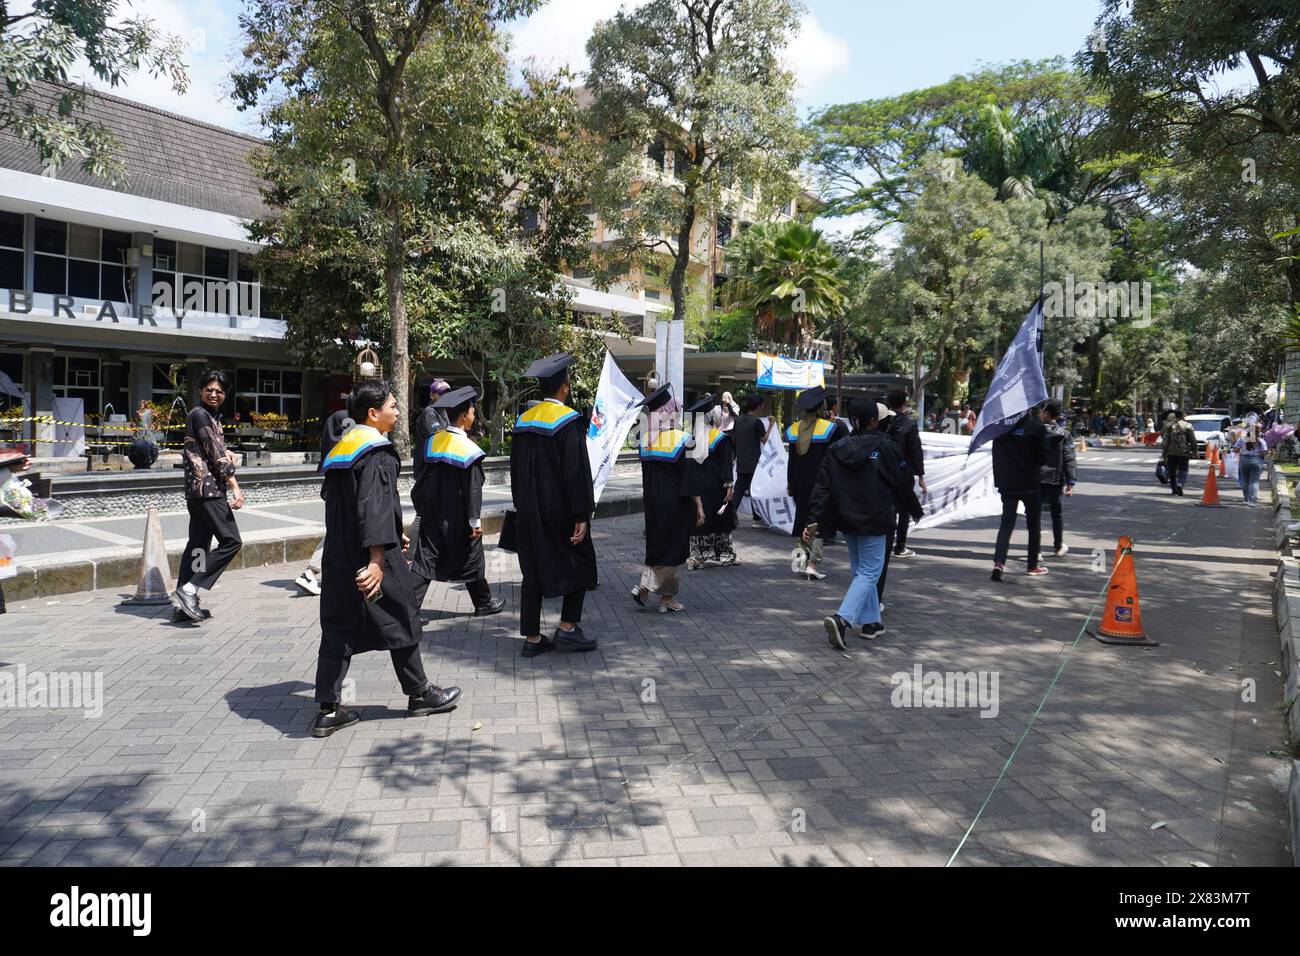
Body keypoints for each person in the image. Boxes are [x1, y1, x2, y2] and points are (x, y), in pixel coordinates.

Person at [311, 379, 462, 738]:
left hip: (339, 552)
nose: (397, 411)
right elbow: (373, 504)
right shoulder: (376, 451)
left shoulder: (341, 448)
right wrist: (378, 559)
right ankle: (420, 694)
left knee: (338, 626)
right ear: (373, 413)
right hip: (371, 554)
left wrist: (395, 529)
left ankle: (328, 710)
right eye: (393, 406)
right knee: (402, 615)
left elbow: (341, 501)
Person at [808, 398, 921, 649]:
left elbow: (822, 486)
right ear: (874, 420)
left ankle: (871, 622)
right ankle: (842, 618)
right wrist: (915, 509)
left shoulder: (836, 448)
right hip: (876, 518)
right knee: (870, 571)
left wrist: (813, 519)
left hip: (847, 518)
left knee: (862, 571)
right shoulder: (886, 446)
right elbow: (902, 482)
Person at [510, 353, 599, 657]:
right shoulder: (569, 422)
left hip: (528, 511)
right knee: (581, 562)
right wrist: (581, 513)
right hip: (560, 512)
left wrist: (522, 506)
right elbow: (576, 473)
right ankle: (568, 629)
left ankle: (532, 638)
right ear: (565, 387)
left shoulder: (523, 421)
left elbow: (515, 470)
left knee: (532, 569)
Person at [410, 386, 507, 616]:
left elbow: (423, 477)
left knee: (426, 560)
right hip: (459, 516)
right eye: (472, 411)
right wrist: (474, 520)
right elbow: (473, 488)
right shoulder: (468, 450)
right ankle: (483, 603)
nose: (474, 415)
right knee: (471, 556)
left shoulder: (434, 442)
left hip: (434, 512)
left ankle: (409, 608)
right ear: (464, 416)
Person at [172, 370, 243, 623]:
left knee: (198, 547)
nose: (214, 394)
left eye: (219, 391)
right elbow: (214, 454)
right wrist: (234, 485)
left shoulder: (209, 416)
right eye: (209, 389)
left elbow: (211, 447)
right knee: (231, 541)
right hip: (209, 489)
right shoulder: (200, 414)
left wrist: (227, 450)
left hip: (197, 491)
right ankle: (189, 589)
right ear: (201, 390)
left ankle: (183, 605)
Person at [630, 383, 703, 612]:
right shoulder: (684, 439)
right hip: (675, 504)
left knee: (656, 545)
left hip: (652, 503)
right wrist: (699, 505)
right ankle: (666, 599)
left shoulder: (645, 441)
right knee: (673, 550)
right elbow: (689, 479)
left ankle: (645, 585)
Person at [787, 386, 849, 580]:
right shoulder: (830, 429)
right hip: (821, 484)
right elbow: (839, 457)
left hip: (799, 484)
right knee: (817, 523)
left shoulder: (794, 429)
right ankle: (812, 564)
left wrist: (790, 484)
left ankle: (799, 562)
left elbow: (791, 461)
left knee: (802, 520)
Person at [295, 409, 351, 596]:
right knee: (337, 532)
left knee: (339, 532)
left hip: (335, 488)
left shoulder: (335, 436)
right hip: (342, 490)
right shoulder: (346, 424)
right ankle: (310, 573)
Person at [990, 408, 1050, 581]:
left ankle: (998, 563)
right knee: (1034, 525)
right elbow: (1043, 457)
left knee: (1006, 523)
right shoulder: (1036, 427)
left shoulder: (1001, 427)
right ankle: (1032, 565)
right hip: (1030, 483)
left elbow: (996, 455)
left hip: (1007, 483)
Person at [685, 394, 738, 569]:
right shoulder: (721, 438)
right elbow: (726, 466)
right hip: (716, 487)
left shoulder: (691, 439)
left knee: (699, 519)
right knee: (721, 519)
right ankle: (724, 555)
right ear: (711, 416)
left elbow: (689, 467)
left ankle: (696, 557)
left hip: (697, 488)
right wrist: (729, 486)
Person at [884, 388, 927, 559]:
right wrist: (920, 475)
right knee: (903, 511)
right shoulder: (909, 425)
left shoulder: (883, 422)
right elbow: (916, 451)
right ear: (905, 402)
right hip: (903, 472)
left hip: (883, 470)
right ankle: (900, 546)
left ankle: (885, 544)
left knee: (887, 508)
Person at [728, 393, 777, 526]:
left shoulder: (738, 421)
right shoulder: (757, 422)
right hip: (753, 462)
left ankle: (731, 514)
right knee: (754, 490)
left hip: (741, 460)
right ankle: (757, 518)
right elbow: (764, 439)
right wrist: (771, 424)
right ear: (759, 406)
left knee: (740, 489)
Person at [1039, 400, 1077, 557]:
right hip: (1055, 479)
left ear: (1046, 414)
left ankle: (1036, 550)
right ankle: (1058, 546)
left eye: (1041, 411)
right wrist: (1070, 483)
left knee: (1034, 515)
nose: (1039, 414)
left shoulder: (1034, 432)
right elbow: (1069, 458)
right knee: (1056, 514)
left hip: (1035, 479)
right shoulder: (1064, 434)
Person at [412, 379, 452, 487]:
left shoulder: (443, 411)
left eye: (447, 394)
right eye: (442, 394)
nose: (445, 397)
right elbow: (438, 438)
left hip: (437, 466)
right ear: (432, 395)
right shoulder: (429, 412)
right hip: (427, 468)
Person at [1161, 409, 1196, 497]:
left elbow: (1165, 441)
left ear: (1175, 415)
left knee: (1172, 471)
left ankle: (1174, 489)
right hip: (1183, 452)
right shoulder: (1188, 426)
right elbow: (1192, 439)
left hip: (1171, 452)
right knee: (1184, 469)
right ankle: (1180, 484)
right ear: (1183, 415)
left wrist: (1164, 453)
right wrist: (1195, 450)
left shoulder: (1169, 426)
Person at [1235, 431, 1264, 507]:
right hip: (1256, 460)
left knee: (1245, 481)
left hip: (1244, 460)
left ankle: (1246, 499)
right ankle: (1252, 502)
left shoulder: (1241, 439)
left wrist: (1242, 449)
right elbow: (1264, 453)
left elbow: (1236, 450)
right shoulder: (1261, 441)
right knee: (1254, 482)